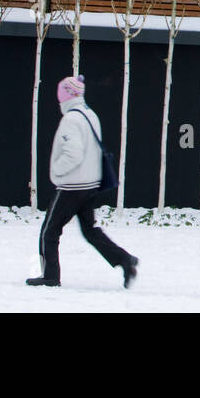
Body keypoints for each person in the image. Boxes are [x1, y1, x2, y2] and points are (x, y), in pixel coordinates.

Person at [26, 74, 139, 289]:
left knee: (49, 231)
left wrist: (56, 171)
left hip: (72, 186)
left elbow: (74, 153)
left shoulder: (71, 120)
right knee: (90, 231)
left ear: (65, 96)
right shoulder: (90, 114)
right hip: (90, 184)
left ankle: (50, 276)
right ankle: (125, 260)